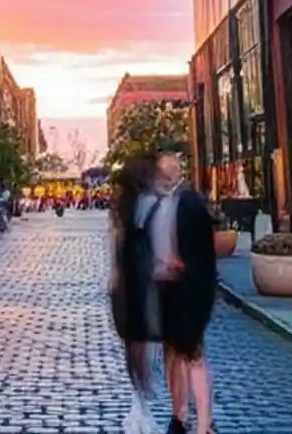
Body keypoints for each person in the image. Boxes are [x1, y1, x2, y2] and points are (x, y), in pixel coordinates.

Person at [150, 151, 217, 434]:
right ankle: (179, 416)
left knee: (192, 354)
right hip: (165, 290)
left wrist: (184, 265)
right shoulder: (157, 204)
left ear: (177, 173)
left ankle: (204, 424)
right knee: (172, 354)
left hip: (188, 289)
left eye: (166, 174)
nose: (162, 179)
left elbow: (204, 250)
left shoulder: (190, 203)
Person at [110, 154, 162, 434]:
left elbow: (116, 254)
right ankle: (142, 407)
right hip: (145, 284)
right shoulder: (151, 205)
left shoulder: (122, 209)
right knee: (149, 348)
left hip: (126, 287)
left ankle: (139, 405)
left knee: (134, 349)